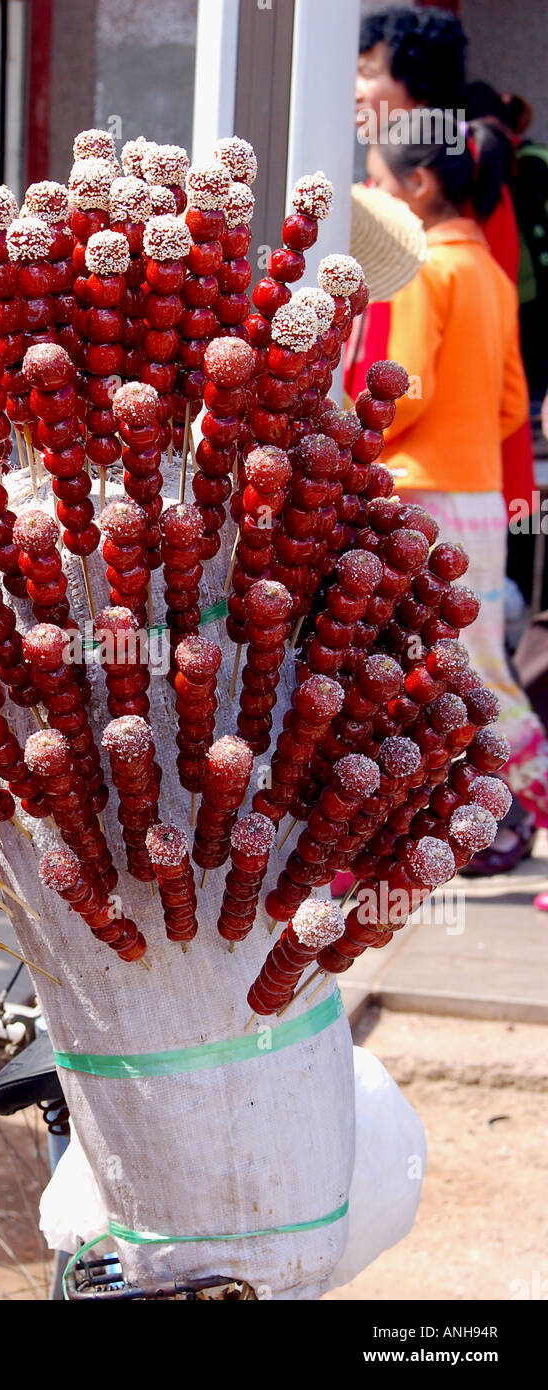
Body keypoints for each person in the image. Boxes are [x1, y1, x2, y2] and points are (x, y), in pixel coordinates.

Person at [363, 127, 548, 877]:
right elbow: (512, 405)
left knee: (455, 673)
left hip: (422, 490)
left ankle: (527, 791)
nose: (368, 194)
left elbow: (407, 389)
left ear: (416, 189)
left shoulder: (423, 269)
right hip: (475, 487)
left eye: (373, 180)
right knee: (465, 666)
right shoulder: (491, 273)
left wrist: (355, 422)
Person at [355, 9, 534, 518]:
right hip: (437, 463)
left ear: (416, 87)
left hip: (425, 465)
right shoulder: (397, 188)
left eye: (370, 72)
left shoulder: (468, 199)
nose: (356, 88)